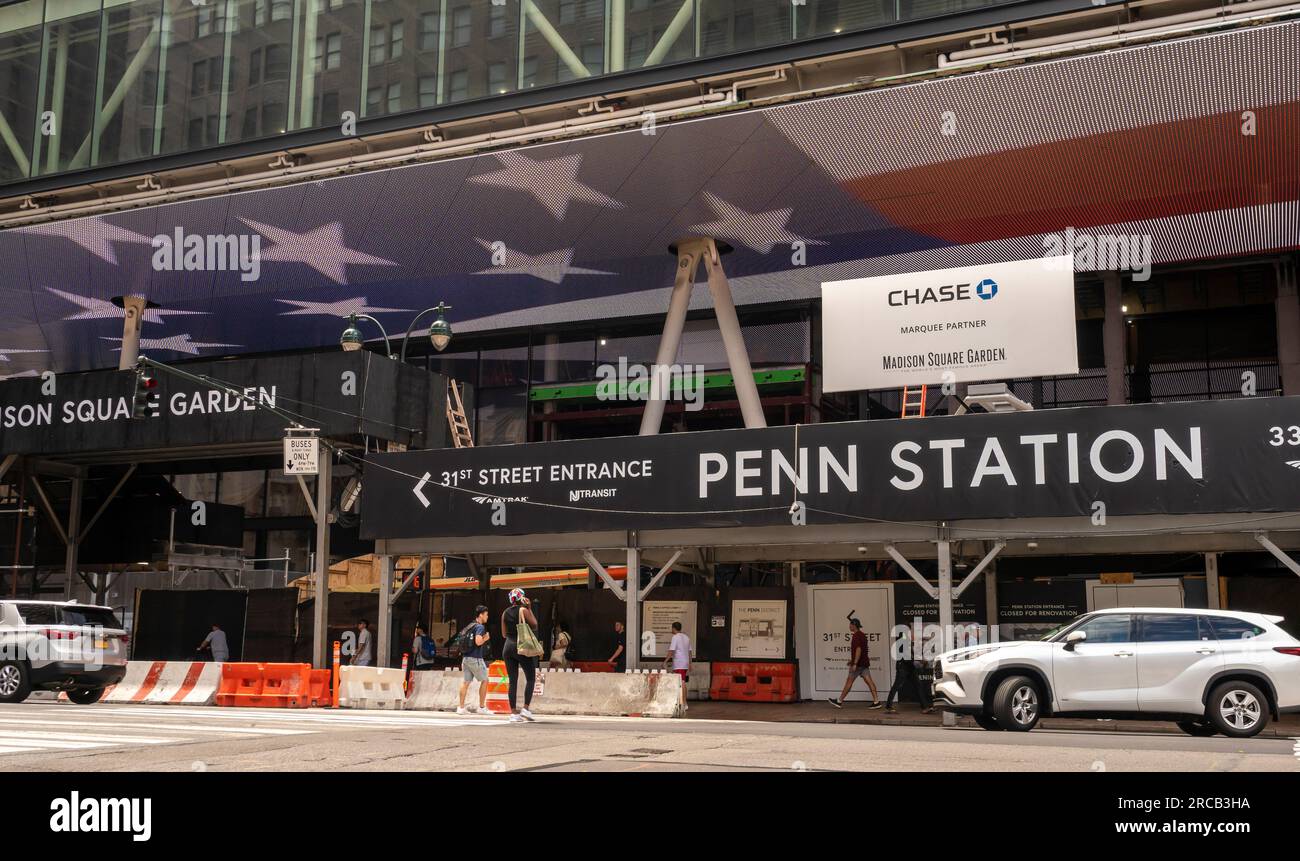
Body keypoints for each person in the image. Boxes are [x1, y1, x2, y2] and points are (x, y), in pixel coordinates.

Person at [501, 589, 540, 723]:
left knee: (513, 680)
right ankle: (525, 709)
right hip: (521, 646)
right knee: (530, 677)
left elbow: (504, 634)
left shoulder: (504, 613)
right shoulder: (523, 610)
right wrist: (529, 608)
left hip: (507, 647)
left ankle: (513, 713)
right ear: (521, 598)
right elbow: (535, 625)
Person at [829, 618, 882, 709]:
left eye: (850, 625)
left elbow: (858, 649)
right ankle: (876, 701)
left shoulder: (856, 636)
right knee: (869, 682)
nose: (849, 626)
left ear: (854, 625)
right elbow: (862, 650)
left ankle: (839, 701)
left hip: (858, 665)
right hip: (864, 664)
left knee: (849, 682)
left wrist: (854, 663)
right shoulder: (862, 635)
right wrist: (852, 660)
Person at [883, 625, 934, 714]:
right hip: (903, 667)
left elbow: (910, 653)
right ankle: (888, 706)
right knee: (896, 686)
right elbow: (907, 655)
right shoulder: (903, 639)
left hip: (909, 667)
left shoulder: (906, 639)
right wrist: (920, 660)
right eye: (909, 629)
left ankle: (925, 707)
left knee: (918, 685)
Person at [457, 605, 491, 715]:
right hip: (475, 658)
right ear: (481, 615)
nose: (487, 617)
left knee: (466, 682)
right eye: (486, 614)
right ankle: (481, 707)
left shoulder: (470, 625)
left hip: (466, 658)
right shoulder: (480, 627)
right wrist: (485, 638)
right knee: (485, 680)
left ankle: (461, 708)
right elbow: (478, 641)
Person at [663, 621, 691, 710]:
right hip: (685, 663)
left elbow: (671, 651)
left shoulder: (675, 637)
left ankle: (684, 703)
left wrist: (665, 661)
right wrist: (690, 663)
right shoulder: (686, 637)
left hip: (679, 663)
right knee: (682, 682)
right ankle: (681, 702)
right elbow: (690, 652)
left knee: (682, 683)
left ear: (674, 628)